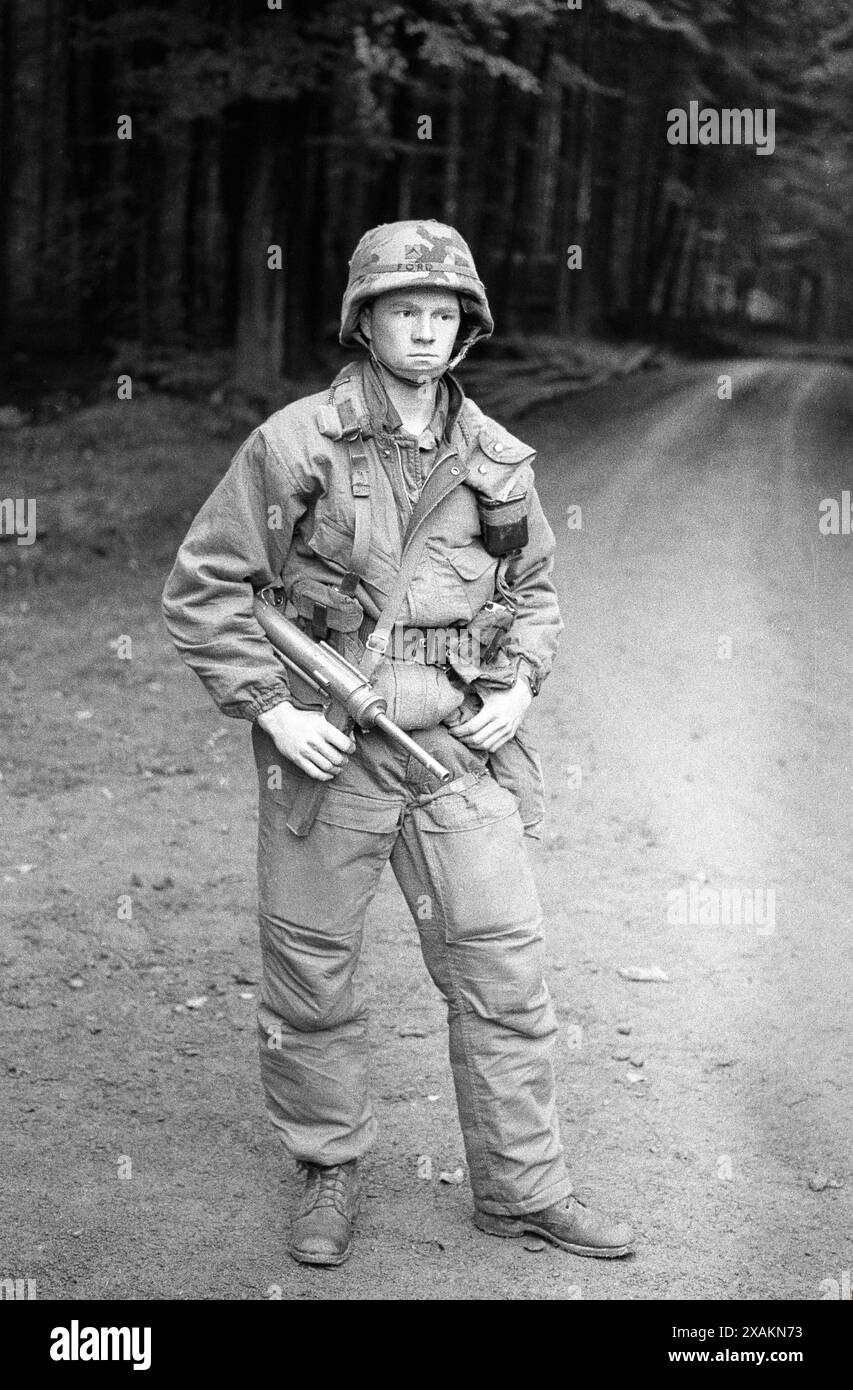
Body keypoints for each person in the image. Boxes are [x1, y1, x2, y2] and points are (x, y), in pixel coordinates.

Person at [162, 220, 634, 1267]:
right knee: (313, 973)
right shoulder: (295, 444)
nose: (423, 331)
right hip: (328, 750)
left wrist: (516, 683)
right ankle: (328, 1167)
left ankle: (521, 1189)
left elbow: (533, 593)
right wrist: (272, 709)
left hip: (453, 752)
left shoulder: (498, 462)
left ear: (465, 330)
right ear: (363, 321)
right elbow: (204, 586)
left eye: (441, 314)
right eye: (402, 311)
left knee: (503, 973)